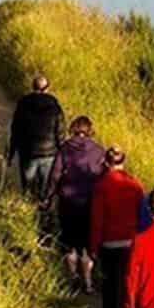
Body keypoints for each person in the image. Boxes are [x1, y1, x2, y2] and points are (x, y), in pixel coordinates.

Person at [88, 147, 145, 308]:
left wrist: (93, 248)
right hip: (131, 242)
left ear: (106, 162)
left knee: (110, 286)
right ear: (124, 161)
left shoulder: (102, 186)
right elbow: (142, 215)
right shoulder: (135, 185)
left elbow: (97, 219)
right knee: (129, 286)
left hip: (109, 243)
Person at [49, 115, 107, 290]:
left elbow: (55, 174)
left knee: (70, 244)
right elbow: (104, 176)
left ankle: (72, 278)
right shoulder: (98, 150)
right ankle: (88, 282)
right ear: (89, 130)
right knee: (87, 247)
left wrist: (50, 196)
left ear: (73, 128)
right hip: (89, 203)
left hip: (68, 202)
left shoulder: (65, 148)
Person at [6, 74, 63, 199]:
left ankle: (27, 209)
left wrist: (10, 154)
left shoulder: (23, 104)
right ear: (47, 88)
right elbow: (59, 132)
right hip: (49, 153)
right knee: (45, 188)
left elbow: (15, 130)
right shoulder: (55, 106)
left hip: (28, 152)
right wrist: (62, 154)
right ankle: (42, 212)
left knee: (27, 187)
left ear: (32, 87)